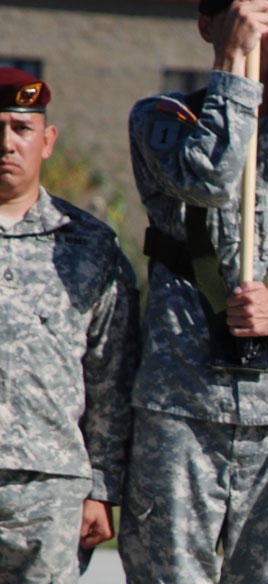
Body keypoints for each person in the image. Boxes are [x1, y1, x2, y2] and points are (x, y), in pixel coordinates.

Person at [119, 0, 268, 583]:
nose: (260, 32)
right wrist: (233, 67)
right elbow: (210, 176)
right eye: (245, 18)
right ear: (208, 25)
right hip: (183, 404)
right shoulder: (161, 120)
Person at [0, 68, 139, 581]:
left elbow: (110, 374)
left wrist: (101, 488)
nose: (6, 144)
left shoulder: (87, 247)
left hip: (52, 491)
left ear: (48, 140)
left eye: (21, 128)